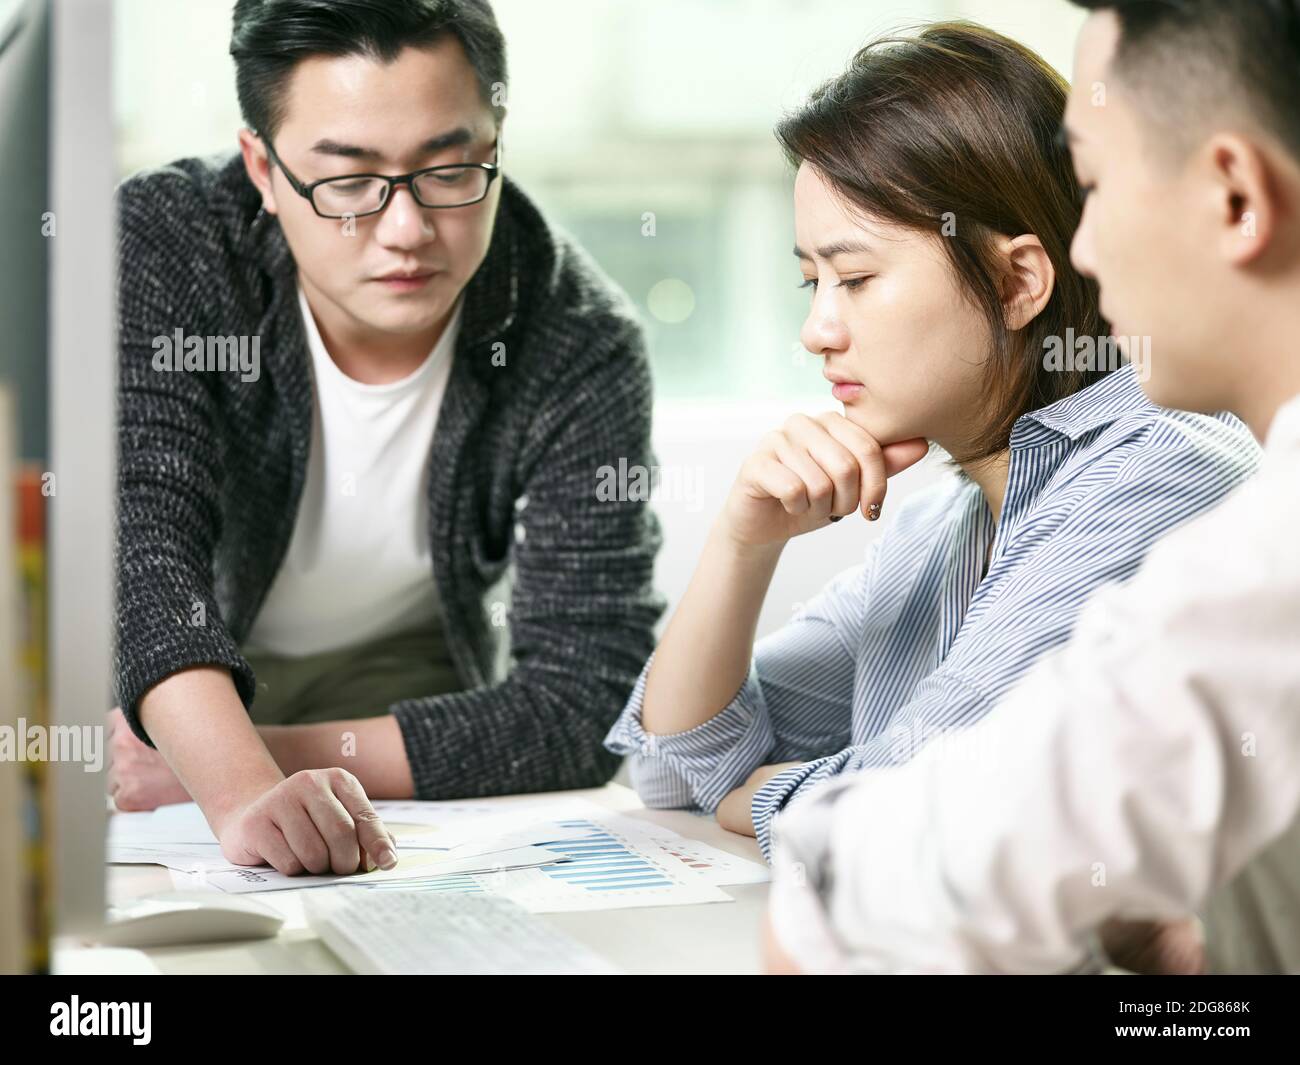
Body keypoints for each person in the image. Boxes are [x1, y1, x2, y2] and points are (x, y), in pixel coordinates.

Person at [603, 21, 1259, 859]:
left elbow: (909, 806)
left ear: (1016, 281)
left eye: (857, 279)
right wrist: (741, 543)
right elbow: (673, 771)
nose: (817, 330)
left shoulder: (1161, 470)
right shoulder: (941, 527)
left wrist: (767, 791)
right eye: (812, 281)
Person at [764, 0, 1300, 974]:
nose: (1082, 251)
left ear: (1235, 198)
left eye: (1092, 184)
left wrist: (778, 804)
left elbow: (833, 914)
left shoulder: (1247, 550)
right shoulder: (947, 510)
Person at [108, 0, 663, 877]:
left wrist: (268, 762)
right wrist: (228, 775)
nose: (405, 230)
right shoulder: (166, 241)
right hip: (157, 689)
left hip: (391, 701)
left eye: (449, 169)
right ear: (262, 164)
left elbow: (586, 698)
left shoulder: (578, 337)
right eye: (348, 181)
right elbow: (137, 548)